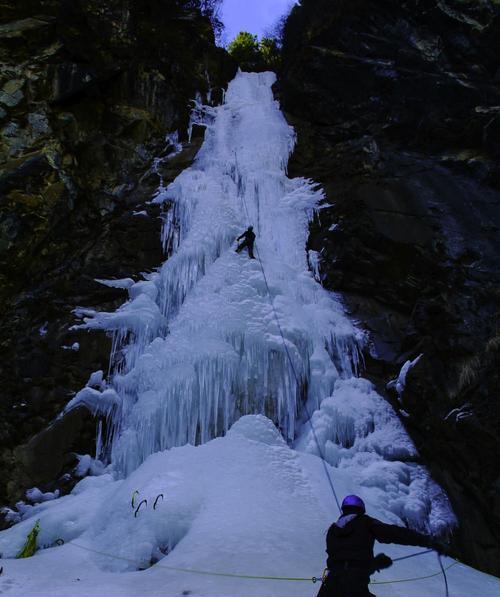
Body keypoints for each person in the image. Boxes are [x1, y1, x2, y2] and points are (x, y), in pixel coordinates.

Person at [317, 495, 448, 597]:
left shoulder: (332, 530)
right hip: (356, 583)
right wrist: (427, 541)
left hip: (331, 582)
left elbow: (342, 559)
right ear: (361, 510)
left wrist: (372, 565)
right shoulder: (366, 522)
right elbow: (395, 533)